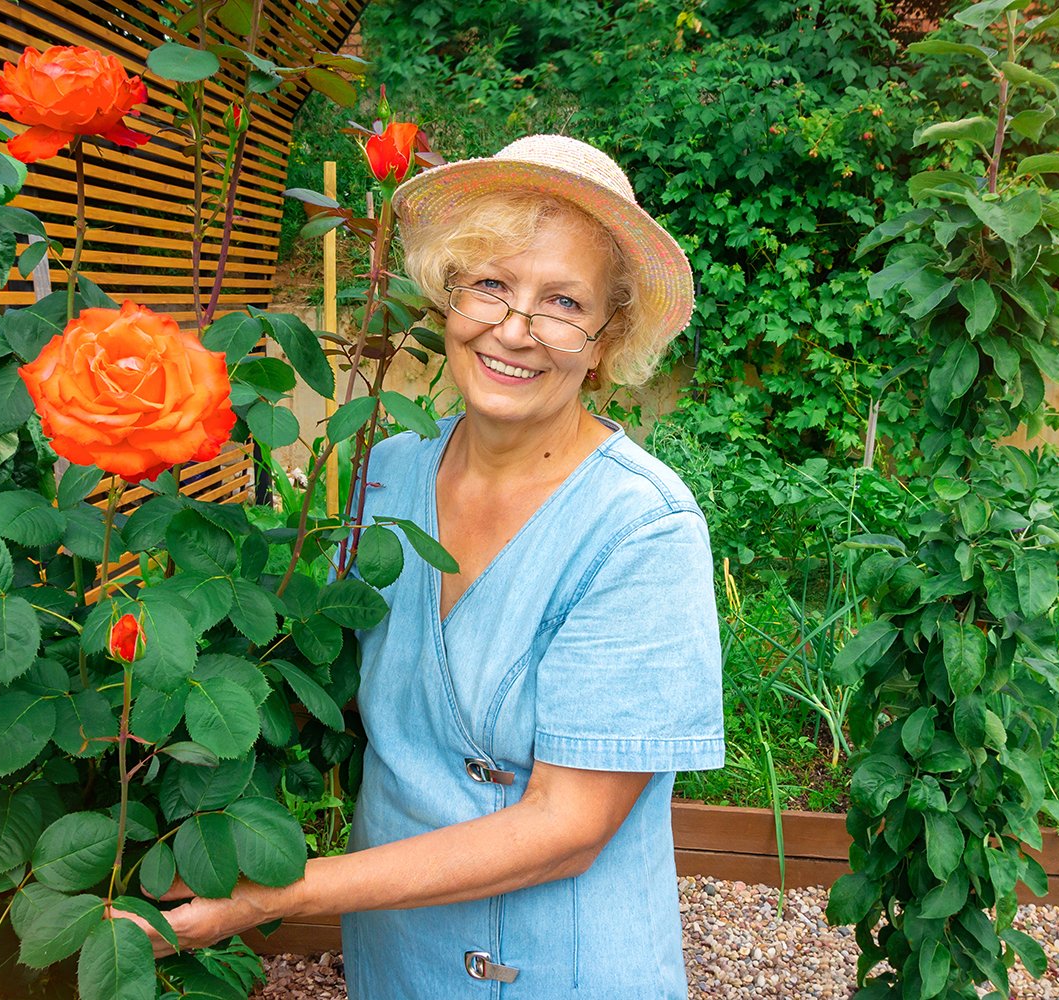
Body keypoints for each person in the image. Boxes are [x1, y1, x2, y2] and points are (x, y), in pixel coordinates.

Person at [124, 135, 725, 998]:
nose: (514, 329)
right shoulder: (388, 470)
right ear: (448, 295)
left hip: (558, 970)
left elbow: (569, 827)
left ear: (604, 341)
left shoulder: (641, 528)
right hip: (398, 953)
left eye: (563, 302)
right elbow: (333, 681)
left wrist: (278, 894)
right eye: (491, 285)